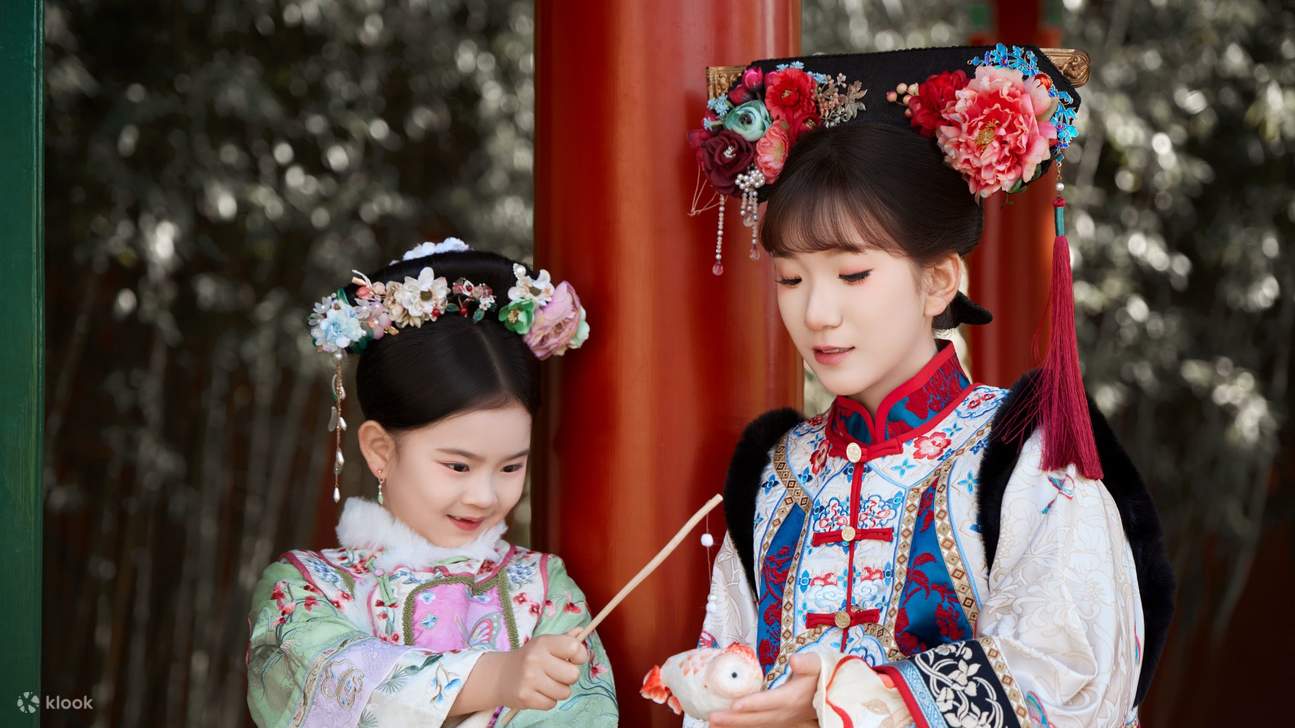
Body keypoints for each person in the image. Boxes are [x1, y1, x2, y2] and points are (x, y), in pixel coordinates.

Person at [683, 46, 1173, 728]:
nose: (816, 313)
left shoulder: (1024, 458)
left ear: (938, 280)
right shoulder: (772, 477)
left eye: (852, 274)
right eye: (790, 279)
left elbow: (1069, 676)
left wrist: (844, 704)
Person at [245, 239, 616, 727]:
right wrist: (495, 677)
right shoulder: (301, 590)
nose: (485, 496)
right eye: (458, 466)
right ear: (380, 451)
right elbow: (324, 681)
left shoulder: (548, 592)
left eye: (510, 467)